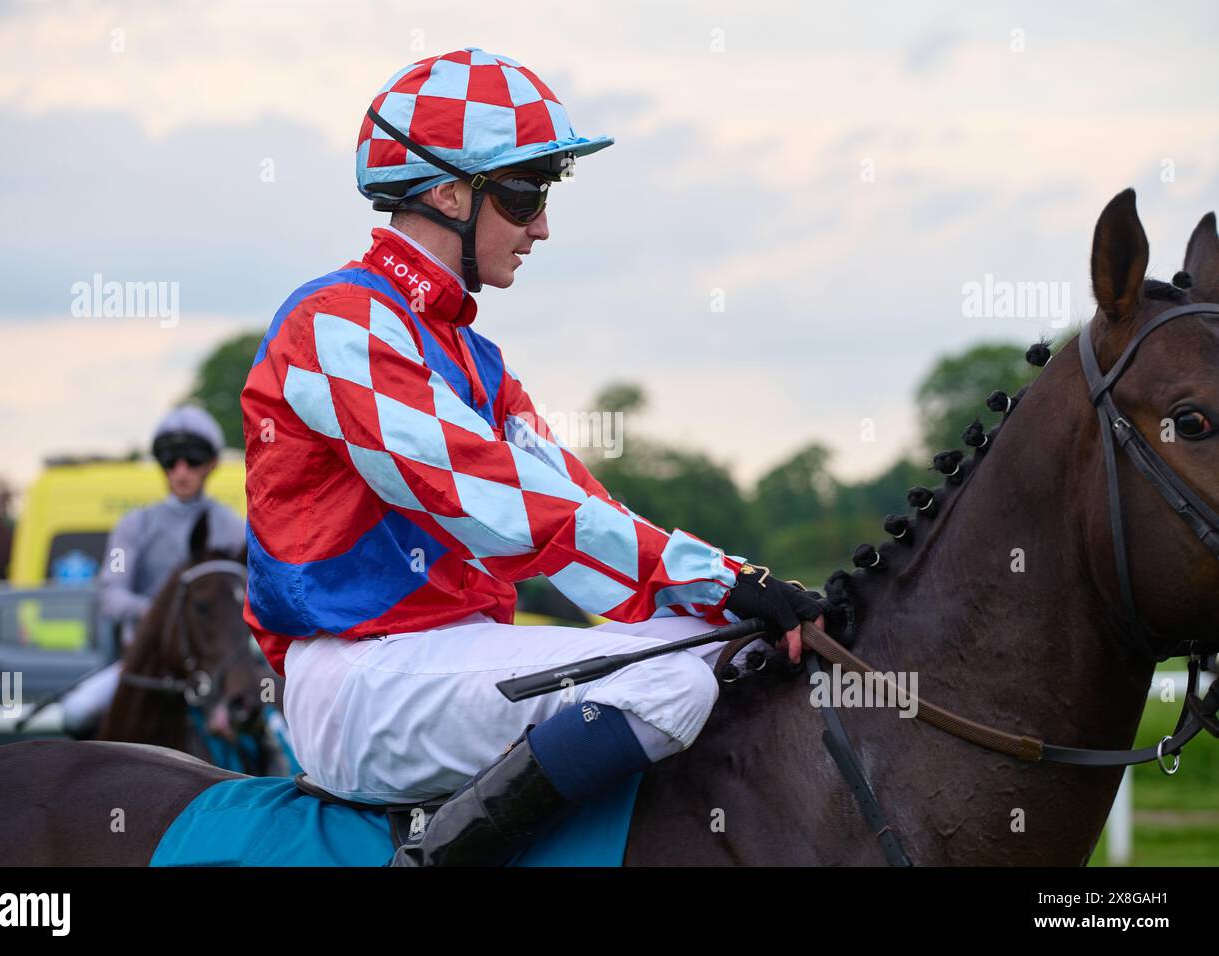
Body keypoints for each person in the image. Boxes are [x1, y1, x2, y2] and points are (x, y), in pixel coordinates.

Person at [240, 47, 825, 866]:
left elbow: (577, 505)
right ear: (447, 193)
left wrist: (731, 591)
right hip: (359, 684)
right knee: (673, 680)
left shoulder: (475, 359)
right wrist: (723, 582)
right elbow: (489, 503)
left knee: (715, 647)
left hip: (439, 661)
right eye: (525, 193)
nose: (542, 225)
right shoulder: (337, 324)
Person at [60, 406, 247, 734]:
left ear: (212, 463)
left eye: (192, 459)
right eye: (170, 461)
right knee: (76, 712)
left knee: (272, 723)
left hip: (215, 664)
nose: (181, 470)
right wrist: (160, 614)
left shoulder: (232, 526)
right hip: (146, 661)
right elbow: (109, 593)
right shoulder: (133, 525)